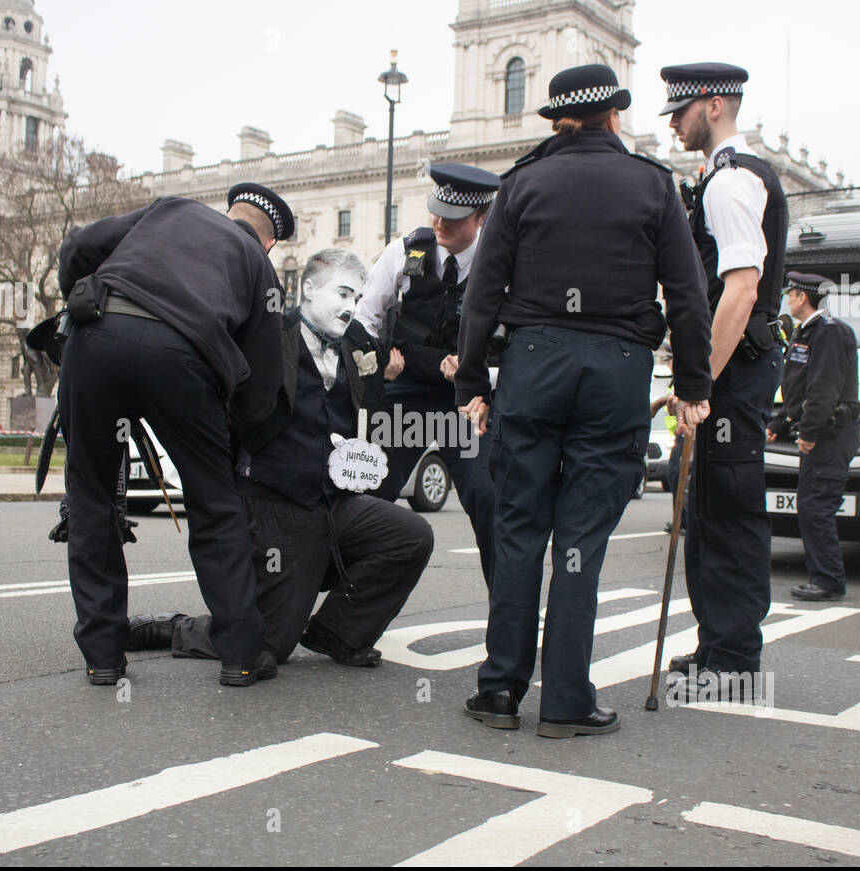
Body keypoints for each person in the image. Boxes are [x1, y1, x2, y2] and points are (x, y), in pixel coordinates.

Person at [454, 64, 712, 738]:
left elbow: (482, 292)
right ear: (614, 117)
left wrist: (471, 383)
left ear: (557, 120)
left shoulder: (522, 183)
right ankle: (566, 701)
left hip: (534, 364)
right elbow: (686, 295)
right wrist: (692, 388)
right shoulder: (653, 184)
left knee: (518, 532)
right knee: (579, 541)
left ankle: (501, 690)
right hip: (618, 369)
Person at [127, 249, 434, 666]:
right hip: (277, 503)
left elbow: (367, 416)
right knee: (268, 646)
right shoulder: (268, 337)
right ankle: (176, 627)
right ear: (307, 288)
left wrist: (384, 377)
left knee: (410, 535)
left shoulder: (357, 346)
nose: (350, 308)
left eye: (357, 299)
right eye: (342, 293)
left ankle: (339, 634)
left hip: (335, 502)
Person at [55, 185, 293, 688]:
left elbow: (77, 245)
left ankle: (103, 657)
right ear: (270, 242)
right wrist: (242, 435)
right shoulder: (257, 261)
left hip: (94, 336)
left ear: (228, 214)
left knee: (91, 497)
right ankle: (241, 656)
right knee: (214, 506)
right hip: (182, 359)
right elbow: (266, 376)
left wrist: (77, 292)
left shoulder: (171, 210)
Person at [659, 63, 788, 698]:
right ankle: (721, 645)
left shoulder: (730, 182)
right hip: (735, 372)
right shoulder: (727, 177)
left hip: (733, 375)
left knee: (729, 509)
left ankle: (734, 656)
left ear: (712, 106)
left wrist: (698, 382)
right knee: (709, 506)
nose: (674, 125)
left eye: (680, 112)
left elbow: (740, 291)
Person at [356, 162, 501, 589]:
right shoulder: (404, 252)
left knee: (489, 498)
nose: (439, 222)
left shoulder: (502, 265)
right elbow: (363, 320)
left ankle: (509, 630)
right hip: (408, 395)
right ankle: (347, 614)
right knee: (369, 493)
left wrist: (484, 376)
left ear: (481, 218)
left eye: (453, 218)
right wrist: (381, 358)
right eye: (436, 210)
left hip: (468, 404)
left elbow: (523, 344)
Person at [767, 272, 860, 600]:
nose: (787, 299)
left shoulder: (829, 333)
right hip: (823, 432)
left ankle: (828, 581)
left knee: (815, 507)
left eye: (790, 293)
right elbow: (798, 388)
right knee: (811, 506)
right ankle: (825, 576)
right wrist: (779, 424)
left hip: (830, 435)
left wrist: (809, 431)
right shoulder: (807, 332)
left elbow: (823, 388)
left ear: (802, 298)